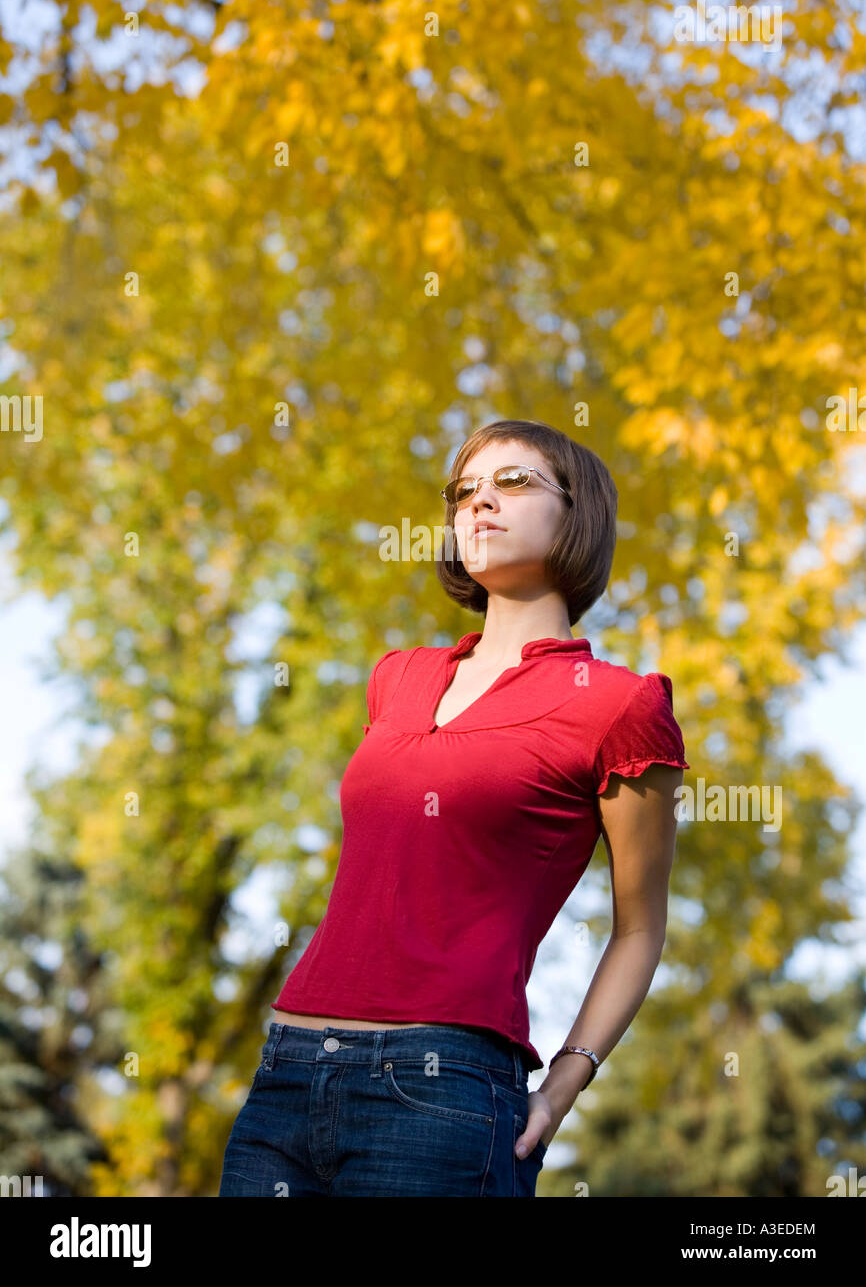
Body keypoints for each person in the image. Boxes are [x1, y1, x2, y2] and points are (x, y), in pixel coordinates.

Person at [219, 418, 690, 1197]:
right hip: (286, 1075)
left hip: (440, 1093)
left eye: (513, 483)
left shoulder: (621, 706)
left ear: (579, 515)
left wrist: (565, 1085)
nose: (479, 503)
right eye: (463, 490)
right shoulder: (396, 678)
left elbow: (641, 927)